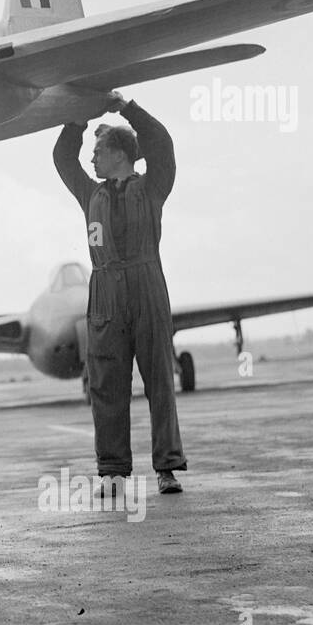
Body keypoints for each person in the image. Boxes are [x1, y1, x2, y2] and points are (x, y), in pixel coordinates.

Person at [53, 94, 186, 495]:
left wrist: (125, 107)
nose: (91, 159)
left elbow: (161, 143)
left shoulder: (153, 187)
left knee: (159, 379)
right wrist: (78, 119)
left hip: (147, 286)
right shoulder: (88, 193)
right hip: (105, 291)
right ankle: (112, 473)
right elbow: (62, 158)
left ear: (119, 154)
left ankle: (167, 469)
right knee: (106, 384)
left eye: (98, 151)